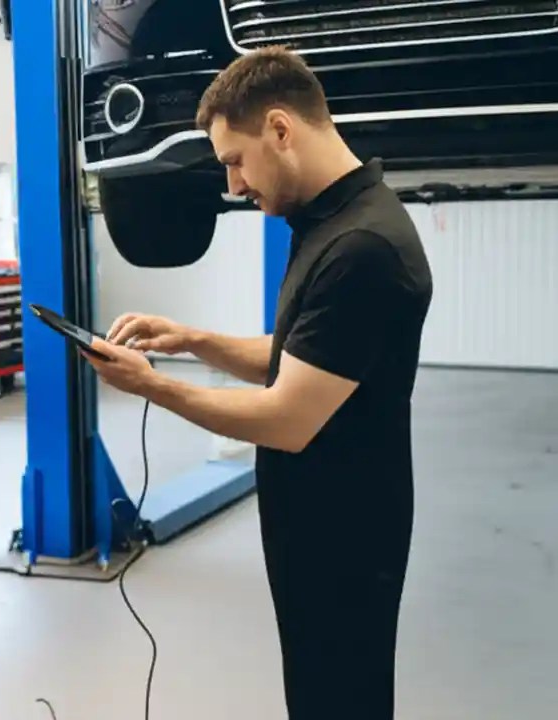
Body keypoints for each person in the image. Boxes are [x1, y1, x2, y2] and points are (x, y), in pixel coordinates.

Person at [85, 46, 433, 719]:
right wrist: (192, 339)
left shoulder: (363, 247)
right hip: (322, 526)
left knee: (340, 700)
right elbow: (304, 355)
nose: (234, 184)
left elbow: (287, 418)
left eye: (235, 160)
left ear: (280, 129)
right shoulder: (332, 221)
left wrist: (153, 386)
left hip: (346, 538)